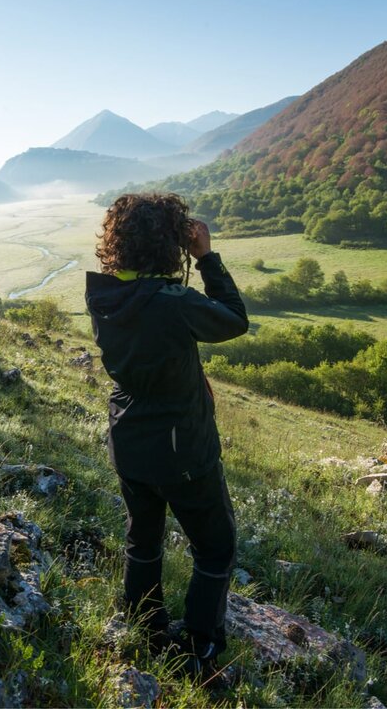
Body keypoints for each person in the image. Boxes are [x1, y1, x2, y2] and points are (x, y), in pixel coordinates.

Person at [85, 192, 249, 675]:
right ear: (169, 244)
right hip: (183, 451)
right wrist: (206, 257)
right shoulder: (173, 302)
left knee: (144, 541)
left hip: (129, 441)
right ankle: (201, 649)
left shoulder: (104, 294)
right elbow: (234, 320)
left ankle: (145, 627)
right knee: (215, 548)